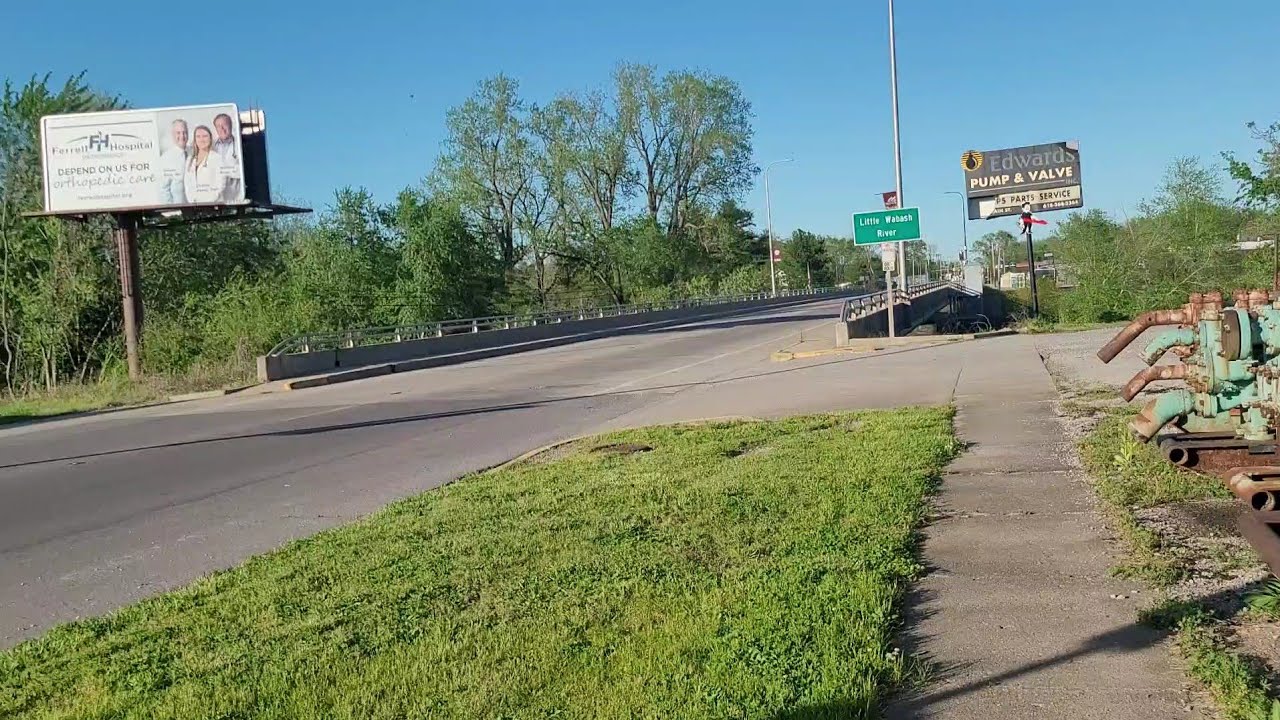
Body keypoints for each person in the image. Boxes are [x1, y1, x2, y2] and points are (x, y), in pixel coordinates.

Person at [184, 125, 225, 203]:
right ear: (195, 140)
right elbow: (187, 184)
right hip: (194, 204)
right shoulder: (190, 159)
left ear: (210, 138)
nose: (201, 139)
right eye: (198, 136)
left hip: (213, 204)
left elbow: (221, 185)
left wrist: (206, 202)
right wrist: (192, 200)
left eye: (205, 136)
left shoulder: (217, 158)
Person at [212, 112, 242, 203]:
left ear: (231, 126)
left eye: (225, 125)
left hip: (235, 196)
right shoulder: (210, 146)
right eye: (218, 126)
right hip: (215, 196)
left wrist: (225, 171)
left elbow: (242, 170)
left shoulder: (240, 145)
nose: (222, 129)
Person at [158, 119, 189, 204]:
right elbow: (163, 189)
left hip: (194, 208)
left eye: (184, 132)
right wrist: (172, 212)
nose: (182, 136)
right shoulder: (166, 158)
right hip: (178, 210)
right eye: (178, 133)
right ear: (172, 135)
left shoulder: (192, 153)